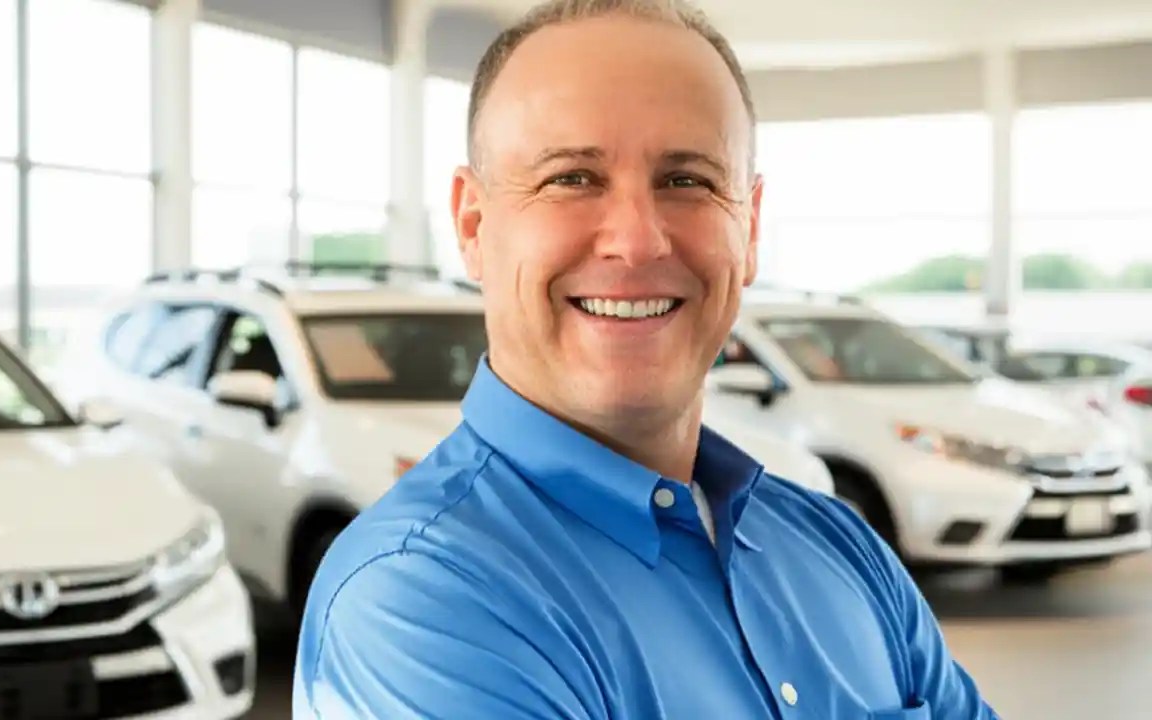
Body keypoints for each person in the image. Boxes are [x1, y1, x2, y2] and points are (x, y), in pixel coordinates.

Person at [293, 0, 999, 717]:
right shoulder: (418, 600)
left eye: (686, 180)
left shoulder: (842, 549)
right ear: (474, 224)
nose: (638, 241)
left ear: (749, 229)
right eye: (572, 177)